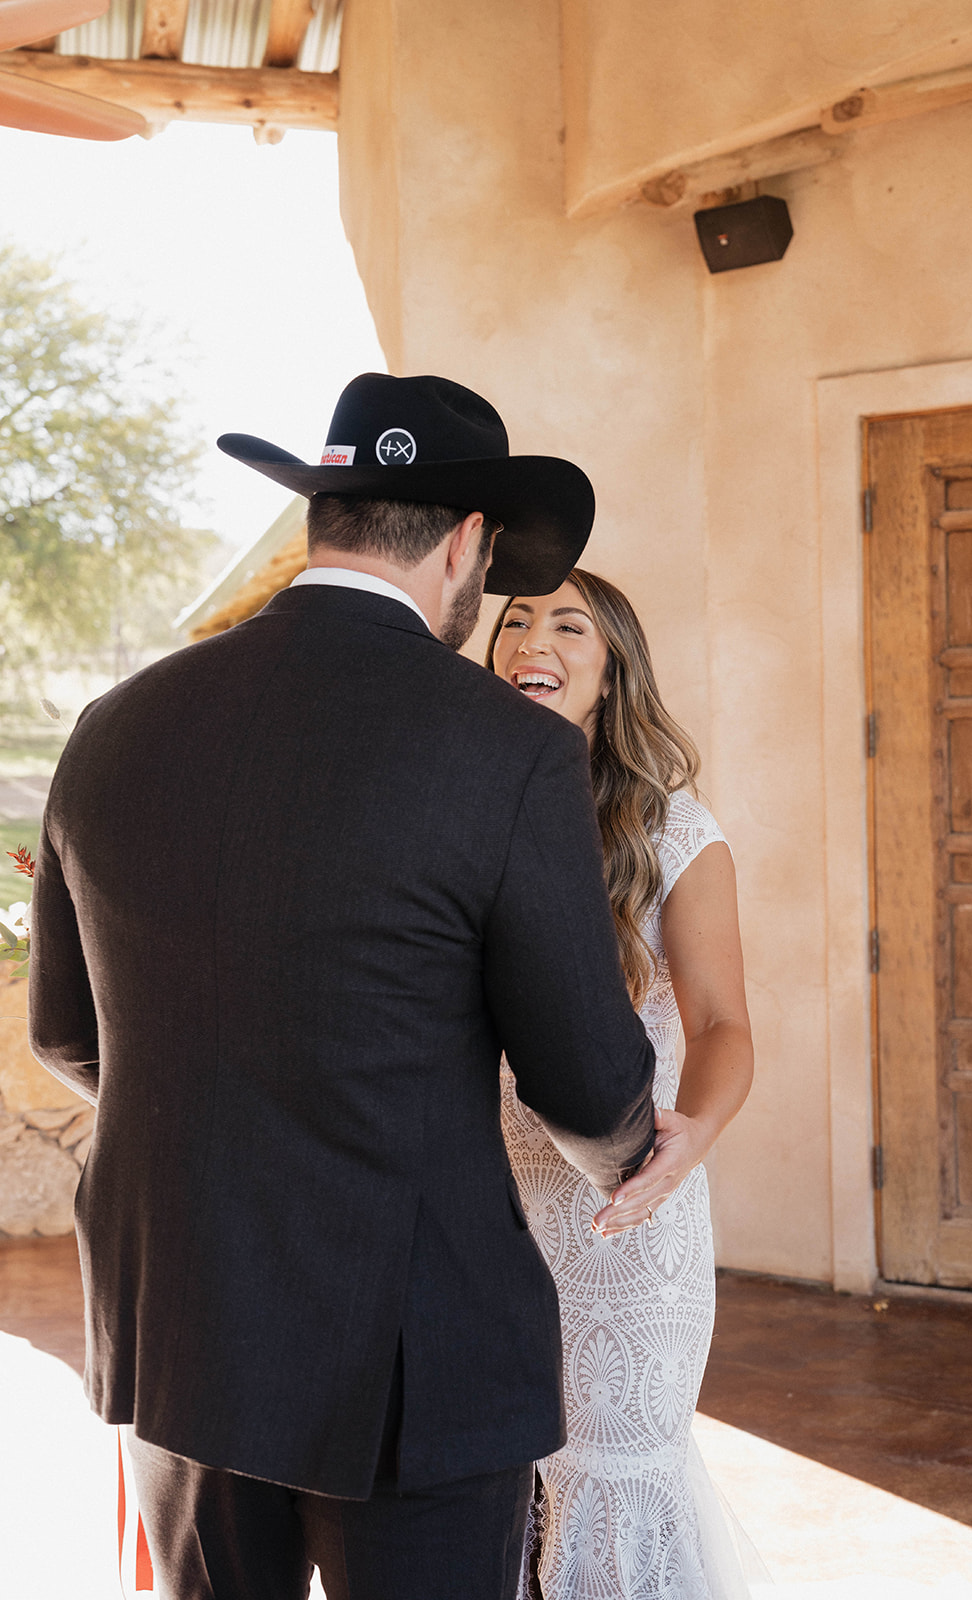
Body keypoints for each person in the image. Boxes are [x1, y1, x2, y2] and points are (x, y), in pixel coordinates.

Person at [27, 375, 657, 1600]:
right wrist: (631, 1151)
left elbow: (67, 1033)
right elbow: (585, 1080)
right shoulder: (507, 750)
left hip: (182, 1326)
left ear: (325, 516)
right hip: (411, 1348)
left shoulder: (111, 724)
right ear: (466, 544)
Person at [488, 569, 756, 1600]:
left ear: (610, 674)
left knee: (609, 1496)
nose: (531, 638)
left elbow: (725, 1026)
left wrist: (694, 1134)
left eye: (567, 625)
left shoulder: (672, 830)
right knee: (500, 1496)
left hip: (623, 1227)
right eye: (513, 619)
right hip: (483, 1213)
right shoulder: (456, 808)